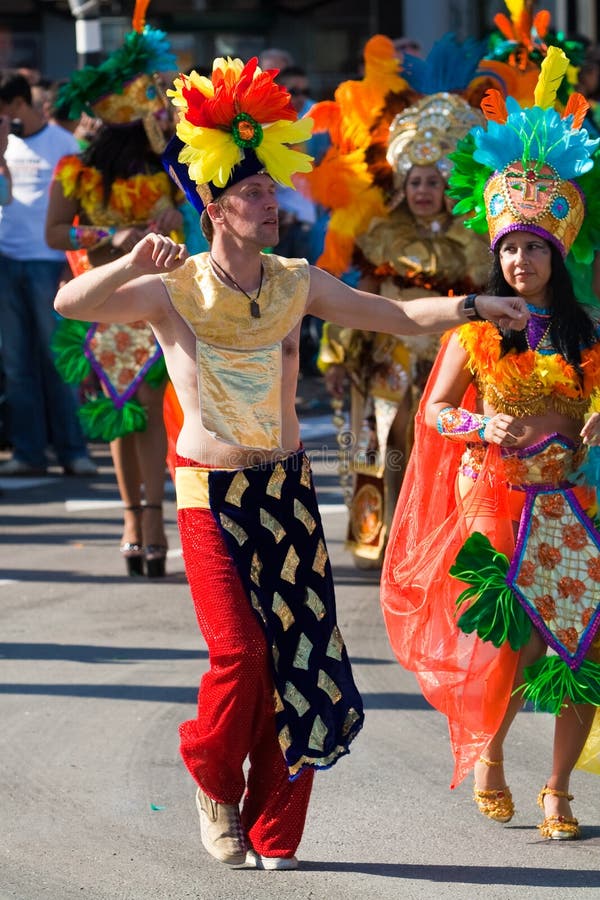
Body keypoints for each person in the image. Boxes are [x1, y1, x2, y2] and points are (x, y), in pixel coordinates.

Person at [54, 54, 528, 870]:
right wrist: (129, 261)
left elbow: (392, 315)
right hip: (208, 491)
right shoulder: (175, 289)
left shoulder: (296, 282)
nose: (271, 203)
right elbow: (72, 304)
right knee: (241, 652)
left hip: (285, 489)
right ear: (214, 207)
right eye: (252, 193)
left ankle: (274, 829)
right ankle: (213, 783)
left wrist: (474, 304)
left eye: (271, 189)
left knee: (299, 662)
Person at [381, 47, 600, 841]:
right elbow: (435, 413)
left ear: (557, 254)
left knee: (582, 648)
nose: (520, 260)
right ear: (496, 253)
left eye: (534, 247)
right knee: (512, 644)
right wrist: (483, 425)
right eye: (510, 248)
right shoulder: (471, 331)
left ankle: (559, 790)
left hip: (572, 502)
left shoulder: (586, 332)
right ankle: (492, 754)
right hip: (494, 499)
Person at [311, 38, 490, 567]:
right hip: (389, 357)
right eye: (415, 182)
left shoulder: (474, 237)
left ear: (449, 184)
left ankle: (443, 544)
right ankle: (387, 546)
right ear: (402, 183)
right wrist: (336, 355)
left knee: (446, 451)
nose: (423, 191)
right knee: (386, 448)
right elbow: (355, 295)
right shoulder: (381, 232)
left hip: (450, 360)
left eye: (433, 181)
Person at [46, 11, 182, 577]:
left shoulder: (171, 167)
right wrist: (110, 235)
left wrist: (179, 215)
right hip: (100, 301)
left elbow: (207, 218)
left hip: (156, 298)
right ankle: (133, 518)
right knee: (120, 410)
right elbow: (56, 233)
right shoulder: (74, 168)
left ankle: (155, 520)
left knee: (150, 408)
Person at [0, 70, 96, 477]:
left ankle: (73, 450)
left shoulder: (63, 143)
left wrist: (74, 267)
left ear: (18, 105)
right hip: (6, 261)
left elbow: (82, 206)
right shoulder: (3, 144)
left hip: (49, 263)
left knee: (58, 359)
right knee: (16, 364)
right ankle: (28, 452)